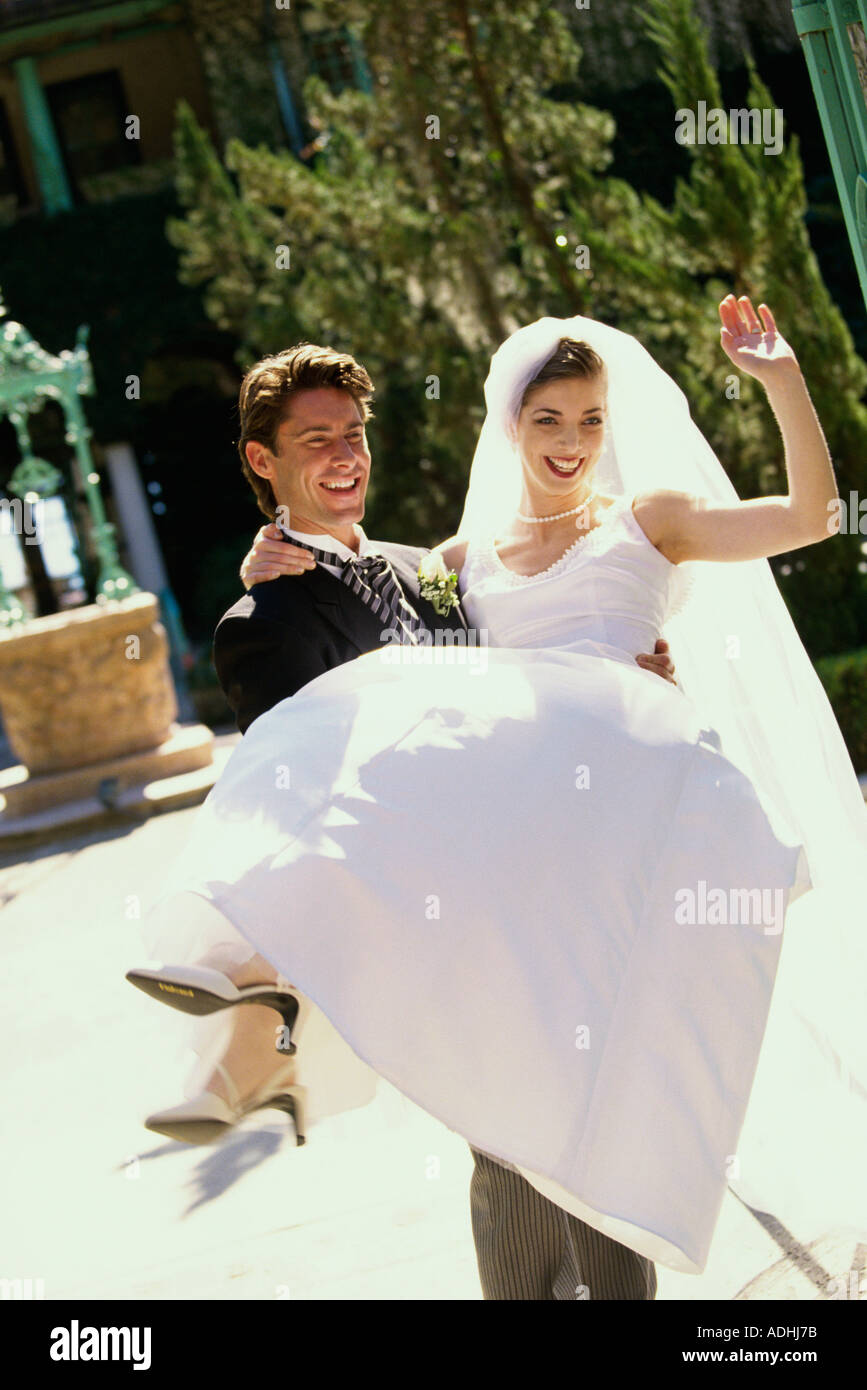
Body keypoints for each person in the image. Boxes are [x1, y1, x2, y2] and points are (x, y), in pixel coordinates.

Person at [129, 296, 867, 1290]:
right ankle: (253, 996)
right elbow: (406, 702)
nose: (573, 442)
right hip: (522, 877)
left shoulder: (647, 521)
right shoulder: (457, 570)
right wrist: (275, 564)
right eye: (549, 419)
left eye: (593, 419)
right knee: (518, 1116)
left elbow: (812, 518)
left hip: (629, 841)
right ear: (508, 427)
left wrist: (779, 375)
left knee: (616, 1093)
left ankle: (264, 1015)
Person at [133, 339, 677, 1302]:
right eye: (314, 441)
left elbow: (520, 683)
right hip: (441, 926)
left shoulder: (429, 571)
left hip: (543, 888)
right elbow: (315, 790)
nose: (344, 455)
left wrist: (618, 681)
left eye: (353, 435)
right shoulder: (260, 627)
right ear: (263, 462)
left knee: (583, 1123)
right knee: (519, 1138)